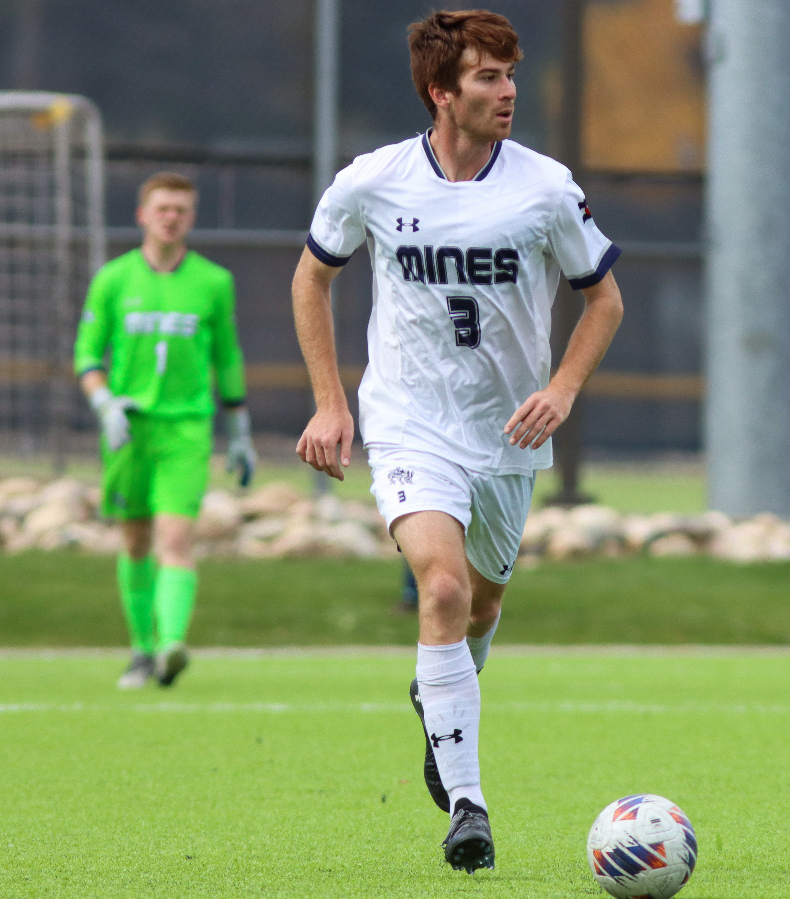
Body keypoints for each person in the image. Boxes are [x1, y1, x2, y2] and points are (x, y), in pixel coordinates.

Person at [291, 9, 623, 874]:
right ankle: (469, 803)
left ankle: (440, 696)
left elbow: (604, 300)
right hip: (410, 422)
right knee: (438, 587)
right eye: (486, 77)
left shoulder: (547, 188)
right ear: (441, 92)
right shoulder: (373, 181)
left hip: (507, 433)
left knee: (480, 607)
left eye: (509, 74)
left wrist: (561, 389)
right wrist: (332, 404)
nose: (507, 90)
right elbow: (312, 277)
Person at [74, 171, 256, 690]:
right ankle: (140, 650)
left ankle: (172, 644)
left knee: (175, 538)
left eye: (181, 209)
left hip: (186, 429)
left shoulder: (213, 282)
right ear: (142, 215)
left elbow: (228, 357)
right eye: (162, 208)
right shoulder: (113, 279)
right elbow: (86, 354)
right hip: (129, 431)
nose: (171, 217)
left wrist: (239, 429)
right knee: (134, 541)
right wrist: (105, 403)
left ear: (191, 218)